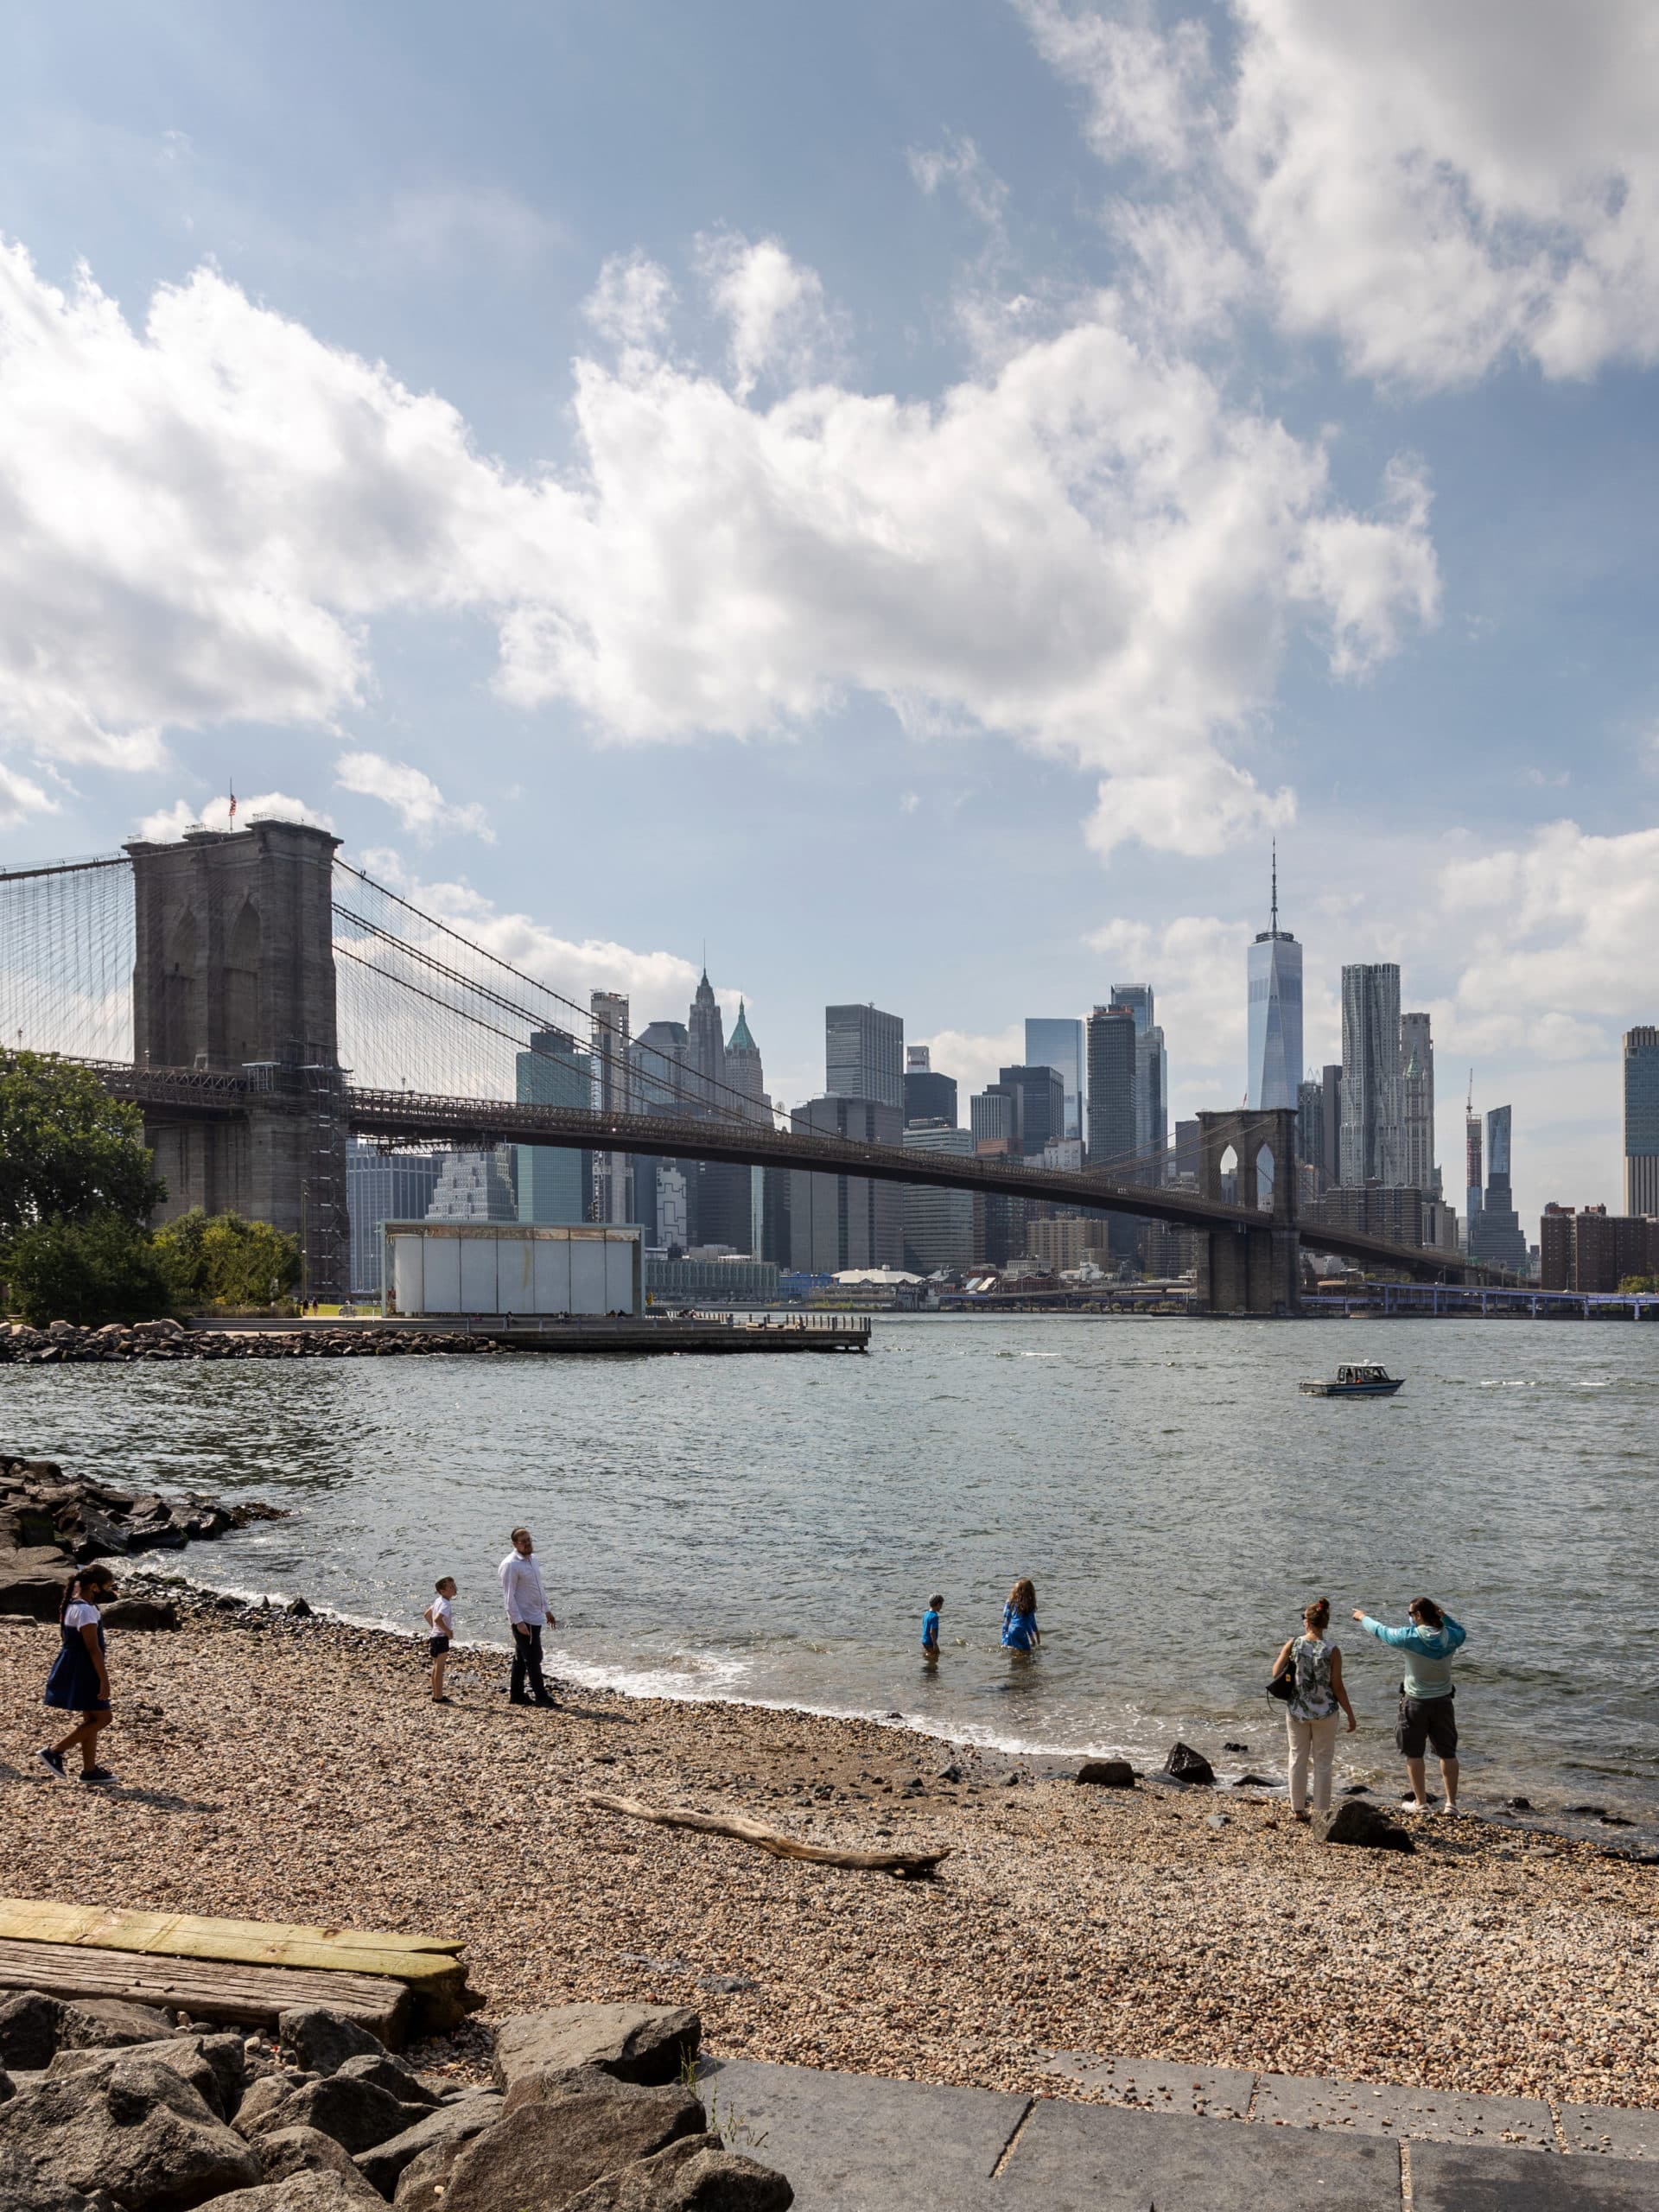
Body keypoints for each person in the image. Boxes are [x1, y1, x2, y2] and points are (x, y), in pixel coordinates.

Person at [1353, 1598, 1467, 1815]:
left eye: (1411, 1614)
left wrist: (1362, 1617)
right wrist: (1444, 1617)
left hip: (1415, 1703)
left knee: (1414, 1754)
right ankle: (1451, 1804)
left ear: (1419, 1616)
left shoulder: (1410, 1637)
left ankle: (1421, 1803)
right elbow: (1461, 1631)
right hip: (1443, 1702)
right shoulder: (1451, 1637)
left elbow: (1381, 1631)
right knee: (1448, 1753)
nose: (1410, 1617)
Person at [1271, 1597, 1357, 1822]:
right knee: (1323, 1763)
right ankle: (1320, 1811)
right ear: (1325, 1623)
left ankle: (1298, 1809)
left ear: (1307, 1622)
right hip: (1326, 1712)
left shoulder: (1294, 1644)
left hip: (1297, 1710)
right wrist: (1350, 1714)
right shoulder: (1333, 1650)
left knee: (1297, 1757)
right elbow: (1337, 1686)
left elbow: (1275, 1672)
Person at [39, 1566, 118, 1784]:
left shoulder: (73, 1605)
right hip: (85, 1668)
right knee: (104, 1718)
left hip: (74, 1665)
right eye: (107, 1587)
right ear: (94, 1587)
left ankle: (89, 1770)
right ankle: (54, 1751)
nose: (110, 1591)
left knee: (91, 1718)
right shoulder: (86, 1610)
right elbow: (93, 1648)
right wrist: (104, 1679)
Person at [499, 1527, 558, 1708]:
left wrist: (547, 1610)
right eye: (523, 1541)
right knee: (533, 1658)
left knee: (521, 1657)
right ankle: (541, 1697)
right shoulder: (511, 1565)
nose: (527, 1544)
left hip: (535, 1616)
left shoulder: (533, 1560)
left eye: (529, 1540)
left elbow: (538, 1587)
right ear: (515, 1544)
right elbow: (509, 1598)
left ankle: (516, 1695)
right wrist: (518, 1622)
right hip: (523, 1619)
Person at [424, 1576, 457, 1703]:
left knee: (435, 1667)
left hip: (434, 1637)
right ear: (442, 1591)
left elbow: (427, 1614)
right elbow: (437, 1619)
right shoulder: (446, 1604)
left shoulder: (438, 1600)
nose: (454, 1588)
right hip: (441, 1639)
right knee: (439, 1669)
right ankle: (439, 1697)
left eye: (454, 1585)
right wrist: (447, 1631)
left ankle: (436, 1695)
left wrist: (434, 1628)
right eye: (451, 1587)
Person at [1001, 1577, 1040, 1653]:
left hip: (1011, 1630)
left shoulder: (1013, 1603)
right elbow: (1032, 1625)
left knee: (1013, 1649)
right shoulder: (1029, 1607)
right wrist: (1037, 1641)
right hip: (1021, 1632)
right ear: (1031, 1592)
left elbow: (1006, 1616)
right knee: (1027, 1653)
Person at [921, 1592, 943, 1662]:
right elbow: (932, 1632)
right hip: (930, 1642)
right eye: (941, 1605)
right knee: (935, 1656)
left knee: (936, 1654)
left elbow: (923, 1625)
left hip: (924, 1639)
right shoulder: (934, 1616)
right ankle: (930, 1667)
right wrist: (935, 1644)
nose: (941, 1607)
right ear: (938, 1604)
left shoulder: (926, 1613)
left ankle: (927, 1657)